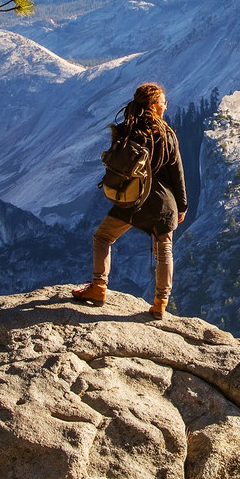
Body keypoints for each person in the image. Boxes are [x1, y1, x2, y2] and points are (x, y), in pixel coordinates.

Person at [72, 82, 188, 318]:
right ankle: (160, 304)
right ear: (154, 106)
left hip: (132, 199)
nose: (166, 106)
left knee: (103, 237)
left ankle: (98, 287)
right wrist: (183, 205)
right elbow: (177, 174)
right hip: (162, 204)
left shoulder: (127, 129)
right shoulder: (166, 135)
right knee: (164, 250)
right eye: (163, 102)